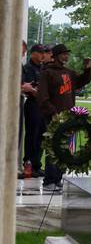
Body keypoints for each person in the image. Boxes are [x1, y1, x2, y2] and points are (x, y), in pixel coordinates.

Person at [37, 44, 91, 190]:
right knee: (53, 147)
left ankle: (58, 178)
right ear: (56, 55)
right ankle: (49, 181)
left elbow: (81, 81)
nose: (67, 56)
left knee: (64, 149)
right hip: (54, 117)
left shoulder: (69, 72)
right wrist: (53, 112)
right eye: (64, 54)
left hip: (68, 117)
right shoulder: (47, 72)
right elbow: (42, 96)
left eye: (67, 54)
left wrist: (87, 69)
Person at [20, 42, 47, 178]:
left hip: (43, 106)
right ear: (33, 53)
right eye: (41, 52)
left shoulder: (43, 68)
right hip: (33, 105)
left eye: (44, 52)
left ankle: (37, 165)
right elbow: (29, 88)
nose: (43, 55)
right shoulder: (27, 68)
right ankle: (29, 163)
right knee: (32, 135)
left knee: (42, 136)